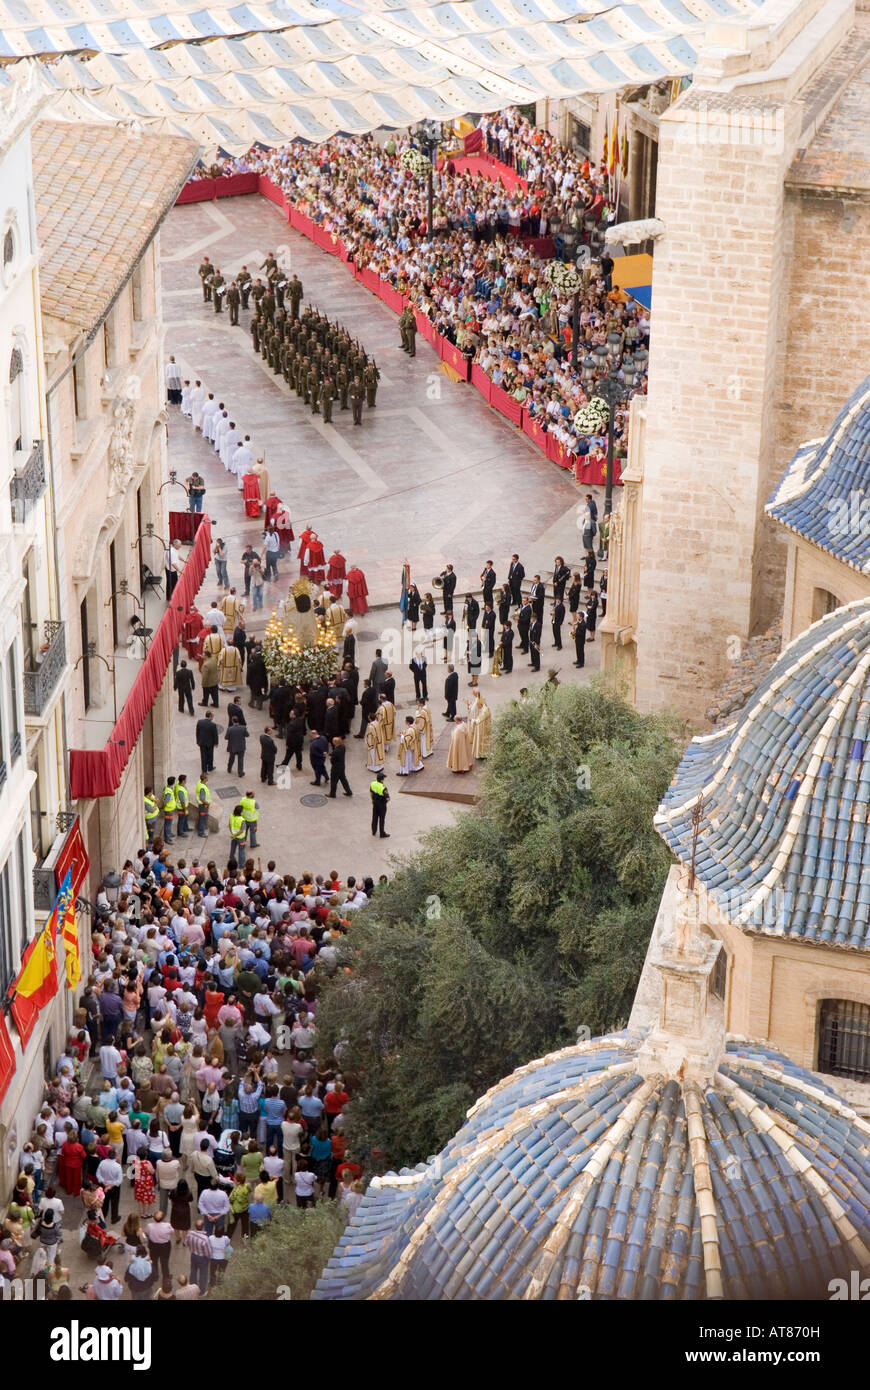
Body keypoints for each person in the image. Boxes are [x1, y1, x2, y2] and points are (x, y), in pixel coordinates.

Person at [370, 772, 390, 838]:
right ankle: (382, 833)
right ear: (382, 779)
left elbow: (371, 793)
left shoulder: (372, 784)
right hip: (382, 805)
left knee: (374, 817)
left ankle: (373, 831)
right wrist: (385, 802)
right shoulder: (383, 788)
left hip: (375, 803)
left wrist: (372, 800)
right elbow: (388, 798)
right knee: (382, 819)